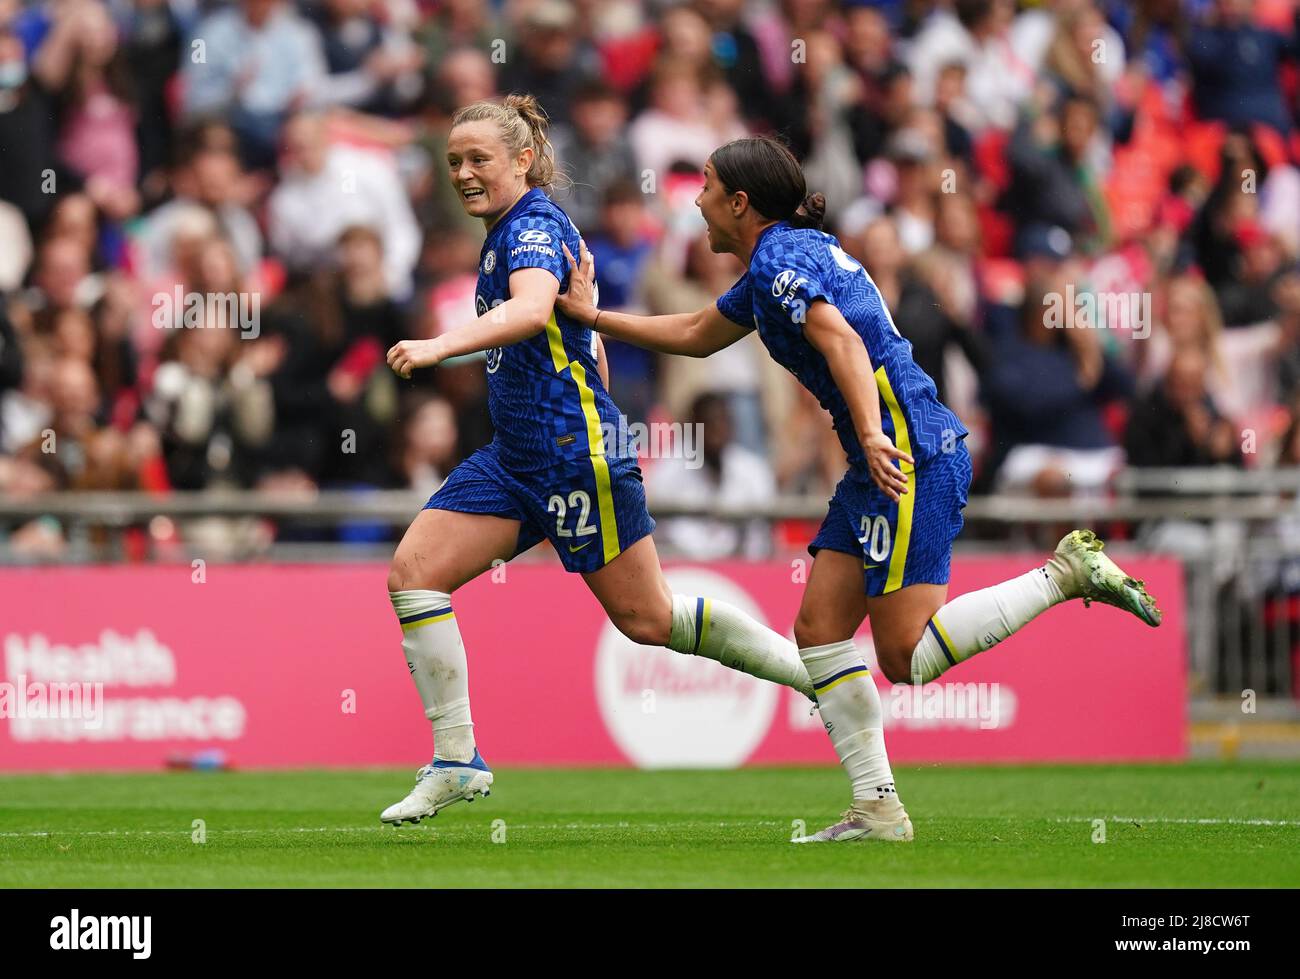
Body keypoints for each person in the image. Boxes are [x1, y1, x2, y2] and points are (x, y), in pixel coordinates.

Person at [556, 135, 1162, 844]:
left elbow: (842, 342)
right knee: (818, 631)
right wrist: (593, 318)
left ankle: (1065, 573)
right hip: (883, 452)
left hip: (905, 454)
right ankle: (877, 808)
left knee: (907, 656)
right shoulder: (779, 262)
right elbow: (695, 330)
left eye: (710, 187)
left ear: (741, 203)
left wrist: (873, 436)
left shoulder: (782, 260)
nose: (697, 199)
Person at [378, 97, 812, 826]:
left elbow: (529, 309)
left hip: (571, 456)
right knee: (414, 575)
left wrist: (437, 344)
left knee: (649, 619)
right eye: (454, 161)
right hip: (516, 455)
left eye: (478, 158)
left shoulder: (536, 227)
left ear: (522, 160)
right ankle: (457, 760)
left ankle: (812, 673)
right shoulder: (508, 230)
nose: (463, 173)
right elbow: (582, 341)